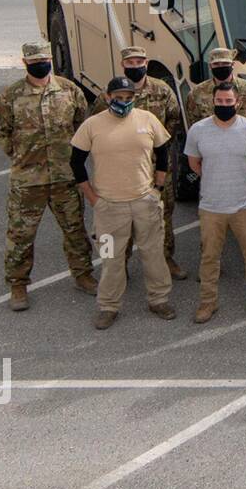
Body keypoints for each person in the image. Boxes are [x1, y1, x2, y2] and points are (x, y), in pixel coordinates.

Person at [0, 41, 96, 311]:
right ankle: (18, 285)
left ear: (51, 59)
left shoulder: (69, 90)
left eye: (44, 59)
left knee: (75, 229)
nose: (41, 63)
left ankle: (83, 274)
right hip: (28, 180)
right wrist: (18, 155)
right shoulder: (10, 96)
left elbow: (81, 125)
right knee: (20, 234)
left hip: (64, 176)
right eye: (35, 60)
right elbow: (0, 128)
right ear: (25, 63)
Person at [71, 76, 174, 330]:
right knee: (110, 259)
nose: (124, 102)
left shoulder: (147, 120)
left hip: (144, 203)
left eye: (128, 98)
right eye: (118, 97)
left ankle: (159, 300)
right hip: (108, 208)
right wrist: (94, 199)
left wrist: (157, 188)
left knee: (153, 254)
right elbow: (76, 163)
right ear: (108, 97)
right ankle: (108, 306)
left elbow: (163, 154)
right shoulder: (91, 125)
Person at [92, 46, 186, 279]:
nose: (135, 67)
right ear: (123, 65)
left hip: (157, 168)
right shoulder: (109, 94)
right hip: (121, 171)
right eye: (130, 64)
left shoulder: (162, 90)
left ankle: (166, 258)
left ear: (146, 63)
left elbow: (174, 118)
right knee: (120, 221)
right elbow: (95, 125)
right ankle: (118, 265)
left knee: (162, 214)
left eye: (139, 62)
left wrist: (157, 145)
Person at [184, 81, 246, 324]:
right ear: (213, 101)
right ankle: (207, 303)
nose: (224, 105)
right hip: (211, 207)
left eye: (228, 102)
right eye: (219, 101)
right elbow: (194, 164)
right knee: (210, 258)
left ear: (238, 103)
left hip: (244, 204)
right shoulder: (198, 130)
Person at [185, 47, 246, 253]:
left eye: (225, 64)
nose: (221, 68)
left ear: (232, 65)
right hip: (212, 163)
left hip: (243, 162)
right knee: (210, 215)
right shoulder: (196, 94)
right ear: (210, 66)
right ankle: (210, 258)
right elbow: (194, 128)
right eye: (216, 65)